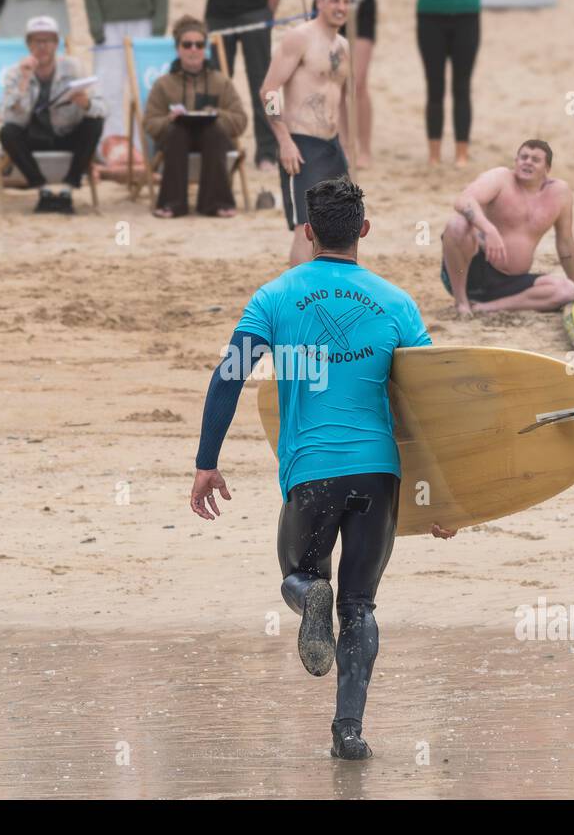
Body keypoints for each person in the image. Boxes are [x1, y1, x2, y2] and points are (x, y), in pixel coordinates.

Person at [189, 176, 456, 761]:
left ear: (308, 233)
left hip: (313, 473)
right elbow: (427, 402)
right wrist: (444, 498)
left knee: (301, 574)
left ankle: (308, 592)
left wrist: (207, 463)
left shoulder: (274, 298)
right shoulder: (396, 302)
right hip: (378, 472)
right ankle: (349, 733)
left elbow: (228, 377)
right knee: (358, 605)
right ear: (364, 230)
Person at [259, 0, 352, 267]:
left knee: (341, 227)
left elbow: (341, 98)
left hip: (332, 145)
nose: (341, 7)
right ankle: (299, 297)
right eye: (335, 0)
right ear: (320, 1)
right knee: (306, 228)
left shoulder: (343, 46)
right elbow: (269, 90)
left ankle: (329, 290)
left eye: (346, 1)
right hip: (302, 145)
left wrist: (346, 145)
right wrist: (284, 141)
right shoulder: (299, 37)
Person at [299, 0, 409, 170]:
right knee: (334, 81)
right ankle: (344, 147)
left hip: (361, 4)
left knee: (357, 81)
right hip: (327, 6)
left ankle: (364, 148)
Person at [440, 140, 574, 316]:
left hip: (512, 283)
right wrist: (489, 230)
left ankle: (486, 307)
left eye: (535, 159)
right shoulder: (500, 177)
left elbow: (565, 241)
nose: (528, 162)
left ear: (547, 169)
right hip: (472, 273)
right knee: (457, 224)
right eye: (523, 157)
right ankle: (462, 303)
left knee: (566, 291)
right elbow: (463, 201)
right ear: (516, 161)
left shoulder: (559, 193)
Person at [186, 0, 288, 172]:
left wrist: (268, 13)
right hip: (218, 14)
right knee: (213, 85)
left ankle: (268, 151)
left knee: (266, 86)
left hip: (256, 12)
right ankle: (215, 147)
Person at [0, 15, 106, 213]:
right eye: (37, 41)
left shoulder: (74, 67)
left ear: (57, 44)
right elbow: (10, 119)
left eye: (48, 40)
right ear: (28, 45)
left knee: (95, 122)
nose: (42, 46)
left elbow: (103, 109)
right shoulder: (15, 73)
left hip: (66, 134)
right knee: (7, 132)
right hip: (34, 136)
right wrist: (23, 82)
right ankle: (42, 188)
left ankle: (69, 187)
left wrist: (86, 104)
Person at [143, 16, 246, 219]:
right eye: (187, 44)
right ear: (178, 48)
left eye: (199, 44)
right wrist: (170, 119)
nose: (193, 49)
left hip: (213, 141)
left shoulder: (220, 82)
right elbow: (149, 123)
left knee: (213, 131)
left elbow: (241, 120)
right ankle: (172, 204)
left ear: (205, 48)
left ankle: (215, 204)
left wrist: (217, 115)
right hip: (176, 141)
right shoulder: (163, 84)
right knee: (177, 131)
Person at [411, 0, 487, 167]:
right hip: (430, 17)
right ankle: (434, 154)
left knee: (462, 86)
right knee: (434, 86)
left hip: (467, 16)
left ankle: (461, 153)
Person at [82, 0, 168, 140]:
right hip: (109, 25)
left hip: (143, 23)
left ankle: (144, 145)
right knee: (108, 86)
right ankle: (111, 142)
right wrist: (96, 25)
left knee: (145, 88)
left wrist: (158, 25)